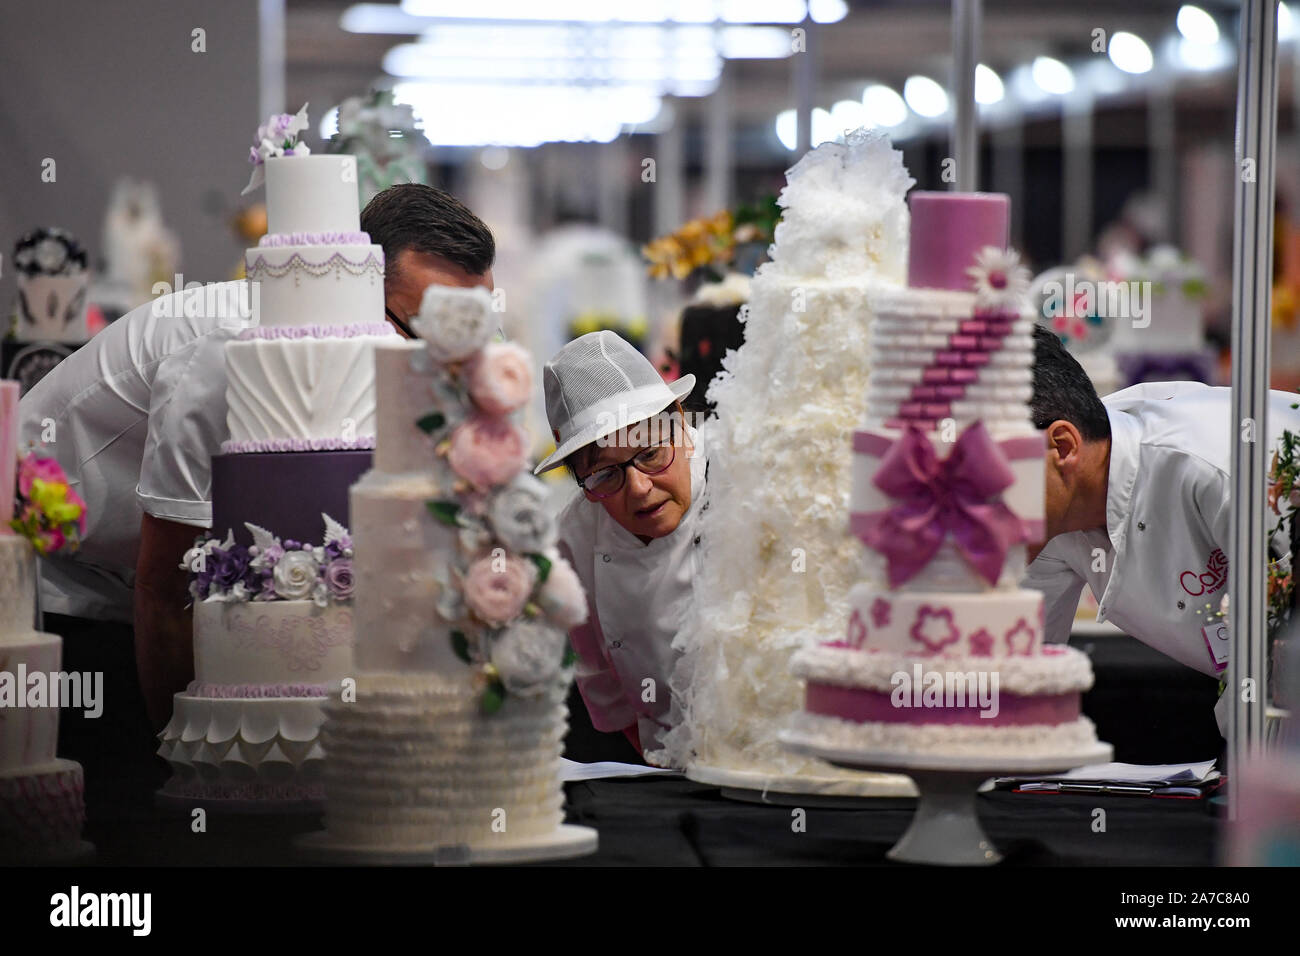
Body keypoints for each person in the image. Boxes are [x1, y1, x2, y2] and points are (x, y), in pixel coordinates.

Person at [18, 183, 496, 733]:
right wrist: (185, 783)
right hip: (57, 580)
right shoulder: (239, 351)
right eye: (427, 336)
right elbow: (165, 580)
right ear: (355, 285)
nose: (449, 365)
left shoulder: (384, 359)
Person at [1022, 325, 1300, 732]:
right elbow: (1017, 682)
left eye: (980, 476)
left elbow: (1282, 674)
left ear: (1062, 446)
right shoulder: (1049, 513)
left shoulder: (1225, 469)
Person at [534, 331, 704, 760]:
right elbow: (603, 685)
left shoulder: (744, 482)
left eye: (650, 454)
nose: (640, 489)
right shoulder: (574, 536)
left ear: (680, 423)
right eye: (606, 475)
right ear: (580, 479)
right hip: (663, 764)